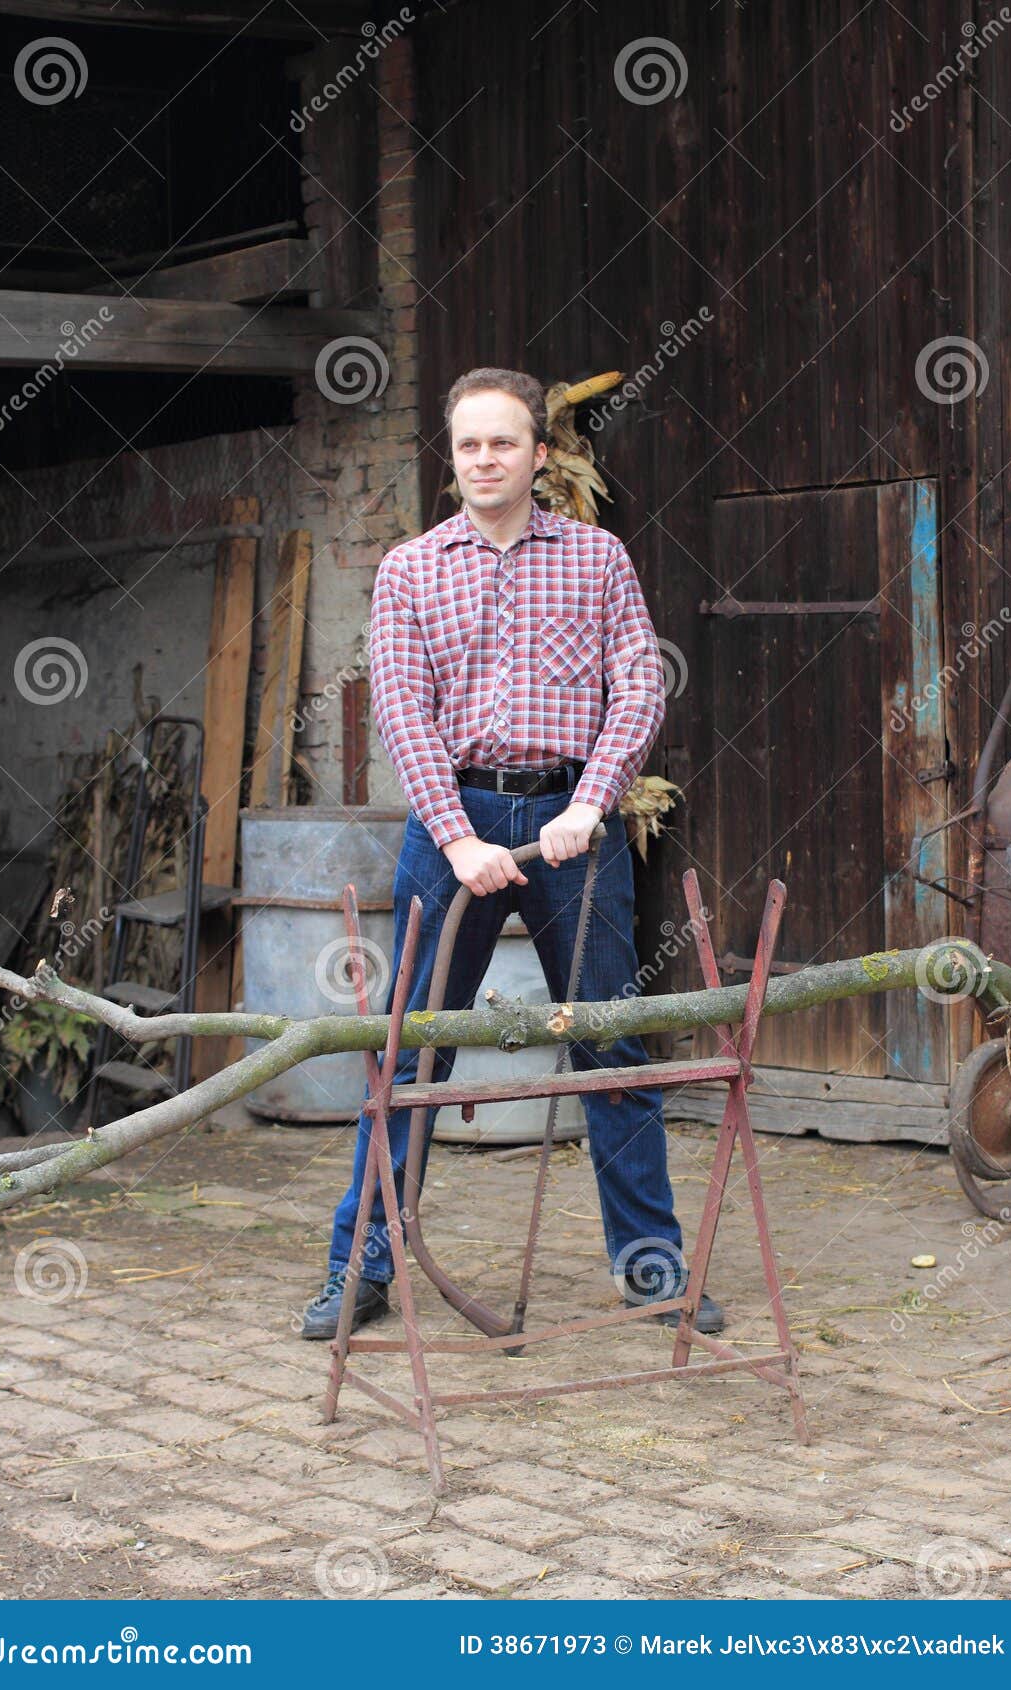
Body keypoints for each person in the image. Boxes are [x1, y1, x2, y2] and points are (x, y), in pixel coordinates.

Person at [300, 366, 723, 1340]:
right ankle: (359, 1265)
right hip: (451, 824)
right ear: (450, 460)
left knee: (610, 1041)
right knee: (405, 1045)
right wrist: (454, 837)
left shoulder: (597, 558)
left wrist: (590, 800)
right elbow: (402, 711)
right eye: (467, 445)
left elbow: (639, 689)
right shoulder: (410, 569)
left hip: (572, 825)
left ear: (540, 453)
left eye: (502, 442)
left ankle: (652, 1270)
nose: (484, 458)